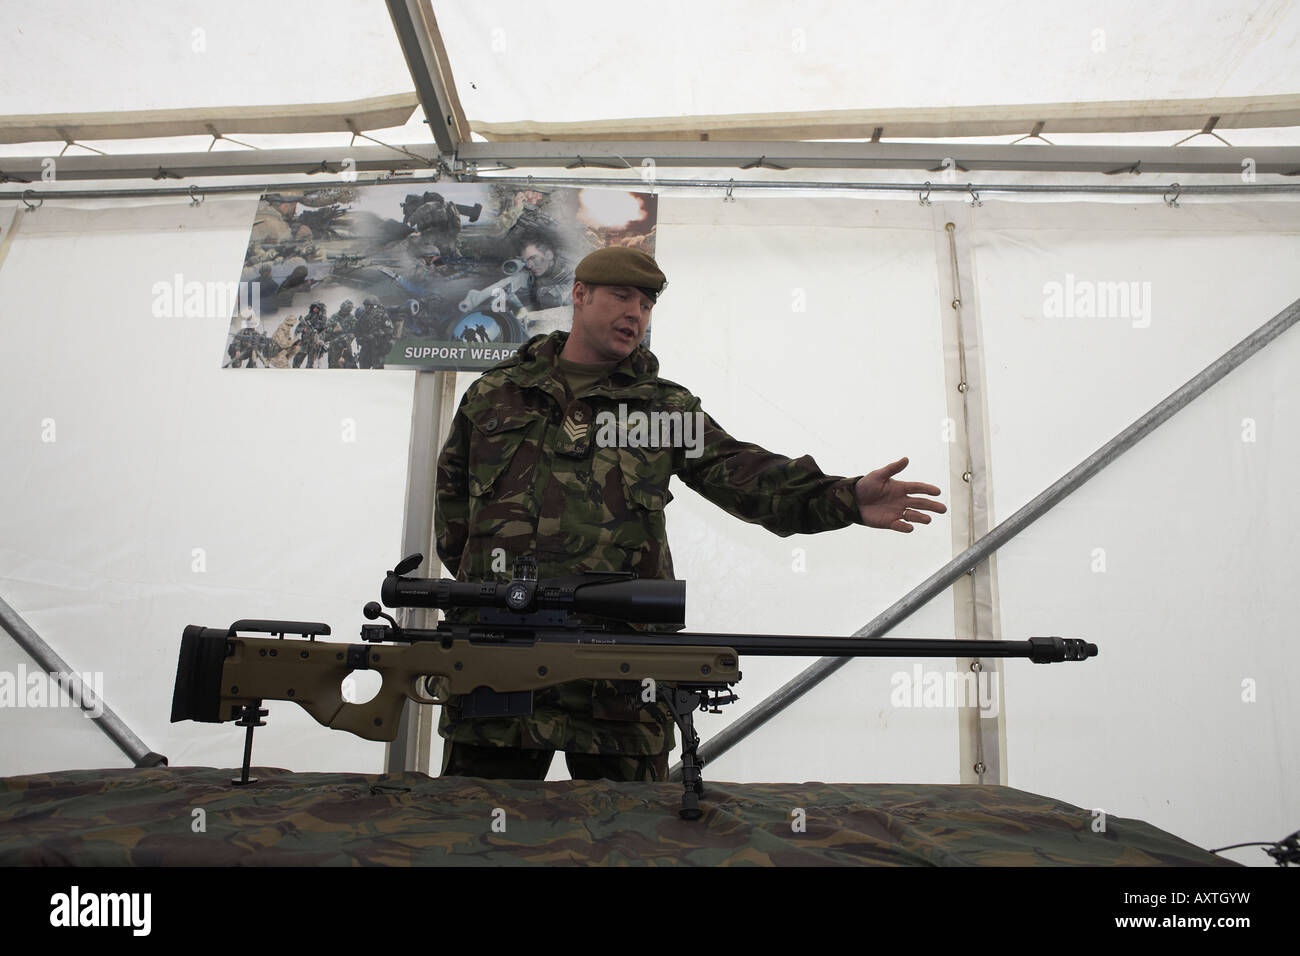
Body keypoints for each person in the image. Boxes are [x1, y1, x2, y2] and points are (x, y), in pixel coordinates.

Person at [433, 247, 946, 782]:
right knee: (480, 827)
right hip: (502, 659)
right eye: (621, 296)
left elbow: (748, 477)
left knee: (632, 835)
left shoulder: (663, 410)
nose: (636, 312)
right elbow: (454, 520)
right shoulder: (493, 397)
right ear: (579, 295)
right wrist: (494, 596)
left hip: (621, 673)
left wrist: (846, 497)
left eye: (648, 303)